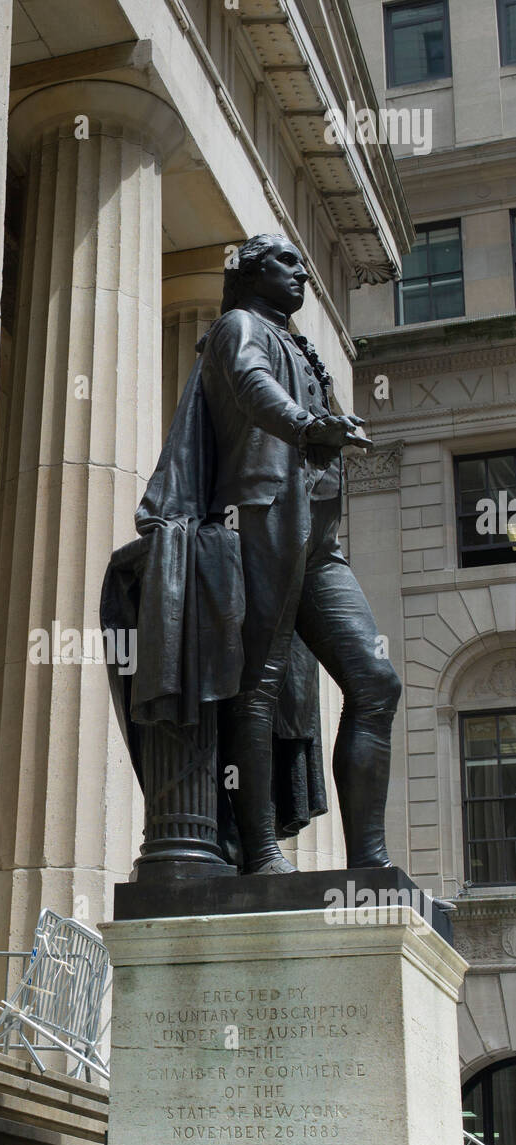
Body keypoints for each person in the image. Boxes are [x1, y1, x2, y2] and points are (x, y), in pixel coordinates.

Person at [197, 233, 400, 873]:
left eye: (304, 265)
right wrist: (311, 426)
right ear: (252, 271)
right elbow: (254, 387)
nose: (302, 274)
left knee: (375, 682)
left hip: (318, 539)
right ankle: (260, 853)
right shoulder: (238, 326)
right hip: (260, 515)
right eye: (287, 262)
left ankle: (368, 861)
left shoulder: (298, 344)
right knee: (256, 685)